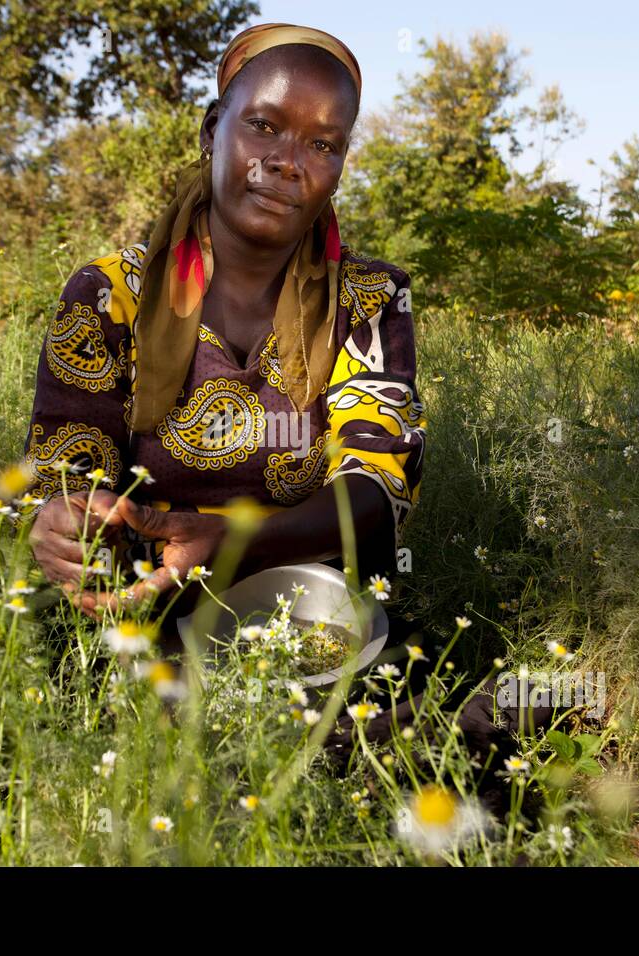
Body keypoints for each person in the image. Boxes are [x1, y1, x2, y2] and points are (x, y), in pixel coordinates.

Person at [23, 23, 426, 652]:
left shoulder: (370, 300)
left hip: (309, 624)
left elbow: (376, 493)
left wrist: (233, 544)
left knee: (466, 723)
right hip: (139, 621)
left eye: (324, 143)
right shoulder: (108, 297)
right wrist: (66, 521)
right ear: (213, 129)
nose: (288, 162)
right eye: (263, 126)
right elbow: (70, 473)